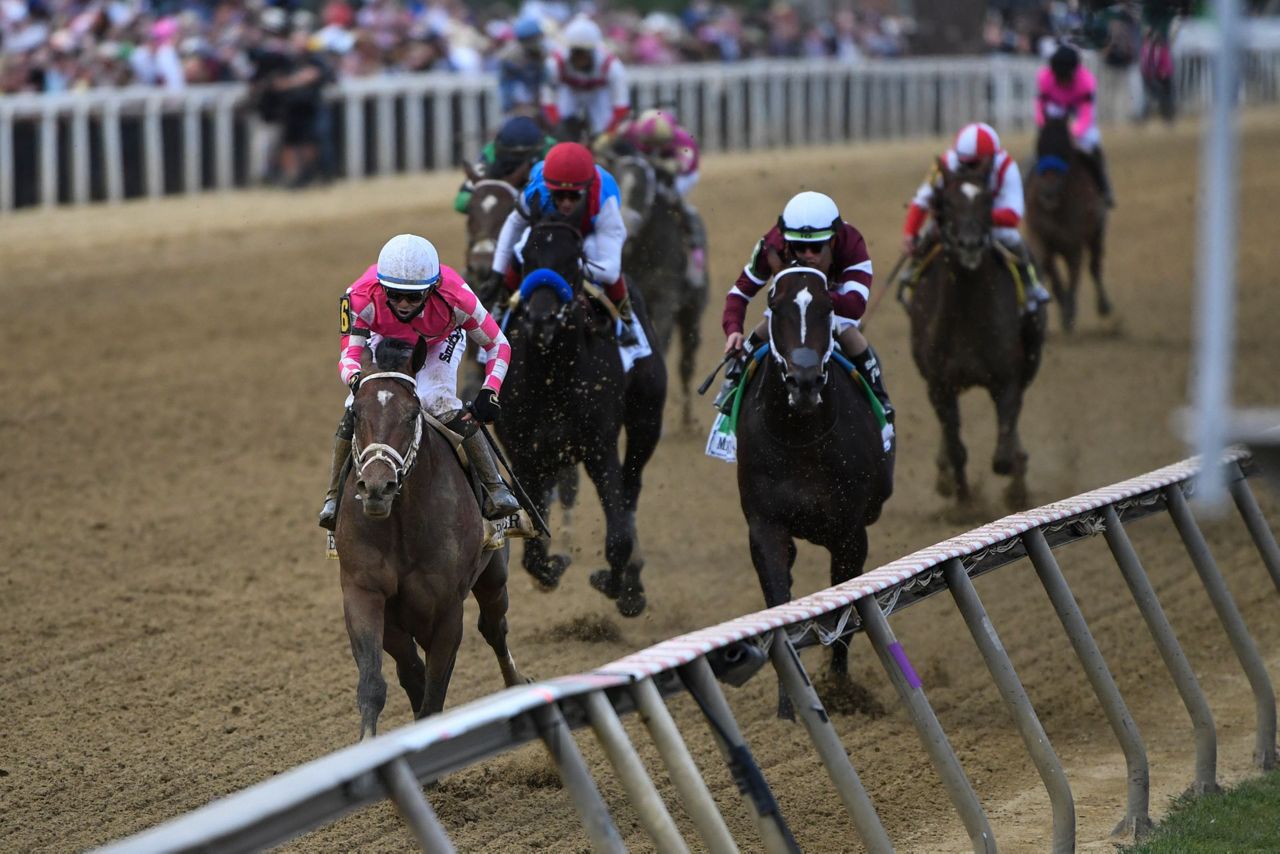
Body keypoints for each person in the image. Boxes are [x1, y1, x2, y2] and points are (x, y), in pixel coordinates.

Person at [318, 234, 521, 530]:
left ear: (432, 288)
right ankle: (334, 497)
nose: (402, 303)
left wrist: (490, 391)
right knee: (355, 405)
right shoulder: (359, 296)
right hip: (383, 340)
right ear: (381, 286)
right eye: (394, 294)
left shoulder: (458, 298)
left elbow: (498, 345)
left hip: (438, 341)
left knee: (438, 401)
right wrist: (359, 381)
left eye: (413, 297)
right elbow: (350, 355)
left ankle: (496, 488)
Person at [718, 191, 894, 445]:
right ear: (787, 242)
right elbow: (739, 293)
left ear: (833, 242)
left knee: (847, 329)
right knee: (769, 325)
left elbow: (855, 306)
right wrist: (733, 329)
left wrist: (814, 299)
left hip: (832, 303)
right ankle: (732, 390)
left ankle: (880, 398)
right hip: (791, 301)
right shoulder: (772, 244)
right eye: (800, 247)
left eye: (816, 247)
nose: (808, 254)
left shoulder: (852, 243)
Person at [489, 141, 638, 346]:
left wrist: (570, 264)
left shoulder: (605, 202)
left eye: (574, 195)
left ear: (586, 189)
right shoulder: (537, 190)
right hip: (549, 227)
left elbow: (611, 269)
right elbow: (514, 224)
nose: (566, 203)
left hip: (589, 232)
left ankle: (626, 319)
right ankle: (501, 307)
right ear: (549, 188)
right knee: (523, 247)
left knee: (592, 250)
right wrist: (498, 271)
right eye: (559, 195)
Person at [899, 122, 1050, 312]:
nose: (968, 169)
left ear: (990, 158)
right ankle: (912, 274)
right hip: (954, 221)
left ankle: (1030, 285)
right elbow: (922, 200)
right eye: (964, 164)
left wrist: (976, 217)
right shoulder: (947, 162)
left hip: (989, 222)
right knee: (929, 233)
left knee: (1013, 239)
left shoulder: (1006, 168)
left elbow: (1013, 216)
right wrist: (910, 233)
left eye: (974, 164)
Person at [607, 108, 708, 291]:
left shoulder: (684, 142)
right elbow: (610, 139)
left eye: (658, 143)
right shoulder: (631, 129)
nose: (653, 146)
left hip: (684, 175)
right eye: (648, 142)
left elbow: (679, 167)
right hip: (648, 165)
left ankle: (695, 252)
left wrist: (661, 164)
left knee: (669, 197)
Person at [1037, 43, 1115, 207]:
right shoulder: (1044, 78)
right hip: (1056, 113)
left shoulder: (1086, 82)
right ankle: (1029, 183)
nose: (1063, 80)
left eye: (1066, 76)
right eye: (1060, 77)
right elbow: (1040, 107)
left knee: (1092, 146)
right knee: (1043, 145)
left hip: (1078, 115)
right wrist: (1047, 127)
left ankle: (1104, 187)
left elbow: (1086, 115)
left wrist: (1073, 132)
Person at [541, 16, 631, 140]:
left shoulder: (612, 66)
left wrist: (609, 135)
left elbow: (621, 105)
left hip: (598, 93)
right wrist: (558, 127)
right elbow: (548, 100)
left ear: (592, 51)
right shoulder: (554, 63)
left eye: (582, 52)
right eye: (574, 51)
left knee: (602, 130)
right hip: (570, 91)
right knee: (563, 130)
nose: (578, 56)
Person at [453, 115, 557, 214]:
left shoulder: (553, 152)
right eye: (512, 154)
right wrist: (491, 200)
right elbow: (461, 202)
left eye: (523, 155)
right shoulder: (490, 152)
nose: (517, 161)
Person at [497, 14, 550, 118]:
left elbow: (544, 79)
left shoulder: (542, 52)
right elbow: (506, 85)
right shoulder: (510, 56)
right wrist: (510, 105)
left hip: (536, 98)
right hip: (516, 102)